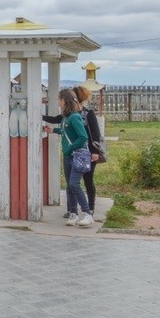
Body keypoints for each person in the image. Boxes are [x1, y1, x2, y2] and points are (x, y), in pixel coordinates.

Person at [47, 89, 93, 225]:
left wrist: (70, 148)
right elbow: (66, 131)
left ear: (64, 101)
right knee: (69, 186)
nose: (58, 102)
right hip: (68, 156)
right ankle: (73, 213)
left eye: (59, 99)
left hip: (77, 156)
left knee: (74, 184)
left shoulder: (74, 117)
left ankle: (87, 213)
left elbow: (83, 137)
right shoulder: (66, 117)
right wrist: (54, 130)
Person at [72, 84, 105, 213]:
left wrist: (95, 152)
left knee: (88, 180)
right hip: (76, 152)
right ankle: (73, 209)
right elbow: (57, 119)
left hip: (90, 152)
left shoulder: (88, 114)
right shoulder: (70, 114)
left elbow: (96, 133)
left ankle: (90, 208)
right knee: (74, 182)